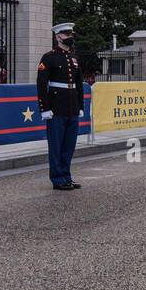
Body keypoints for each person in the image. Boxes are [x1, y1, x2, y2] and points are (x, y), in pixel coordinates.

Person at [37, 22, 84, 190]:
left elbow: (79, 83)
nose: (70, 37)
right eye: (66, 34)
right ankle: (57, 179)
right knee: (56, 146)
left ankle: (66, 175)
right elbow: (41, 84)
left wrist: (80, 106)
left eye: (71, 34)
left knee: (69, 145)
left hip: (72, 106)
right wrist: (45, 108)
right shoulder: (49, 57)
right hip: (56, 107)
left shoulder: (74, 57)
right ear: (58, 36)